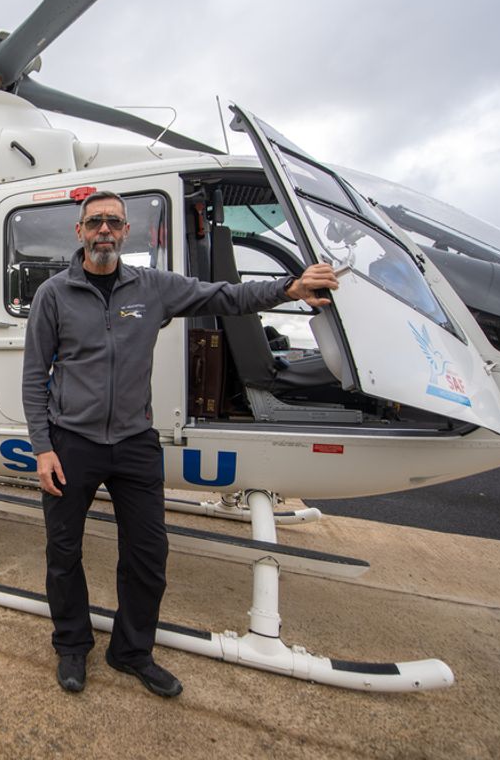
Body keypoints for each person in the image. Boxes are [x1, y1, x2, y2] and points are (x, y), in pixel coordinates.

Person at [21, 190, 338, 697]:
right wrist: (43, 447)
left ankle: (131, 652)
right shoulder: (53, 294)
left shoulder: (153, 288)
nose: (104, 230)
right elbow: (35, 373)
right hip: (71, 442)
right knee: (64, 552)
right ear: (79, 232)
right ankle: (72, 646)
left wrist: (289, 288)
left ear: (126, 233)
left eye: (114, 223)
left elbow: (225, 296)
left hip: (134, 442)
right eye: (95, 222)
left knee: (148, 555)